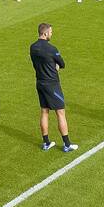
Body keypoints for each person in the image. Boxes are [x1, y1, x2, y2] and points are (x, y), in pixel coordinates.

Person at [30, 23, 77, 153]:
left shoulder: (33, 47)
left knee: (44, 111)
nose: (51, 34)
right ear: (45, 33)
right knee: (60, 112)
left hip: (40, 83)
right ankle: (67, 144)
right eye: (50, 32)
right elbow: (62, 63)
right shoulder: (51, 49)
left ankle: (46, 143)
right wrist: (55, 67)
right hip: (52, 84)